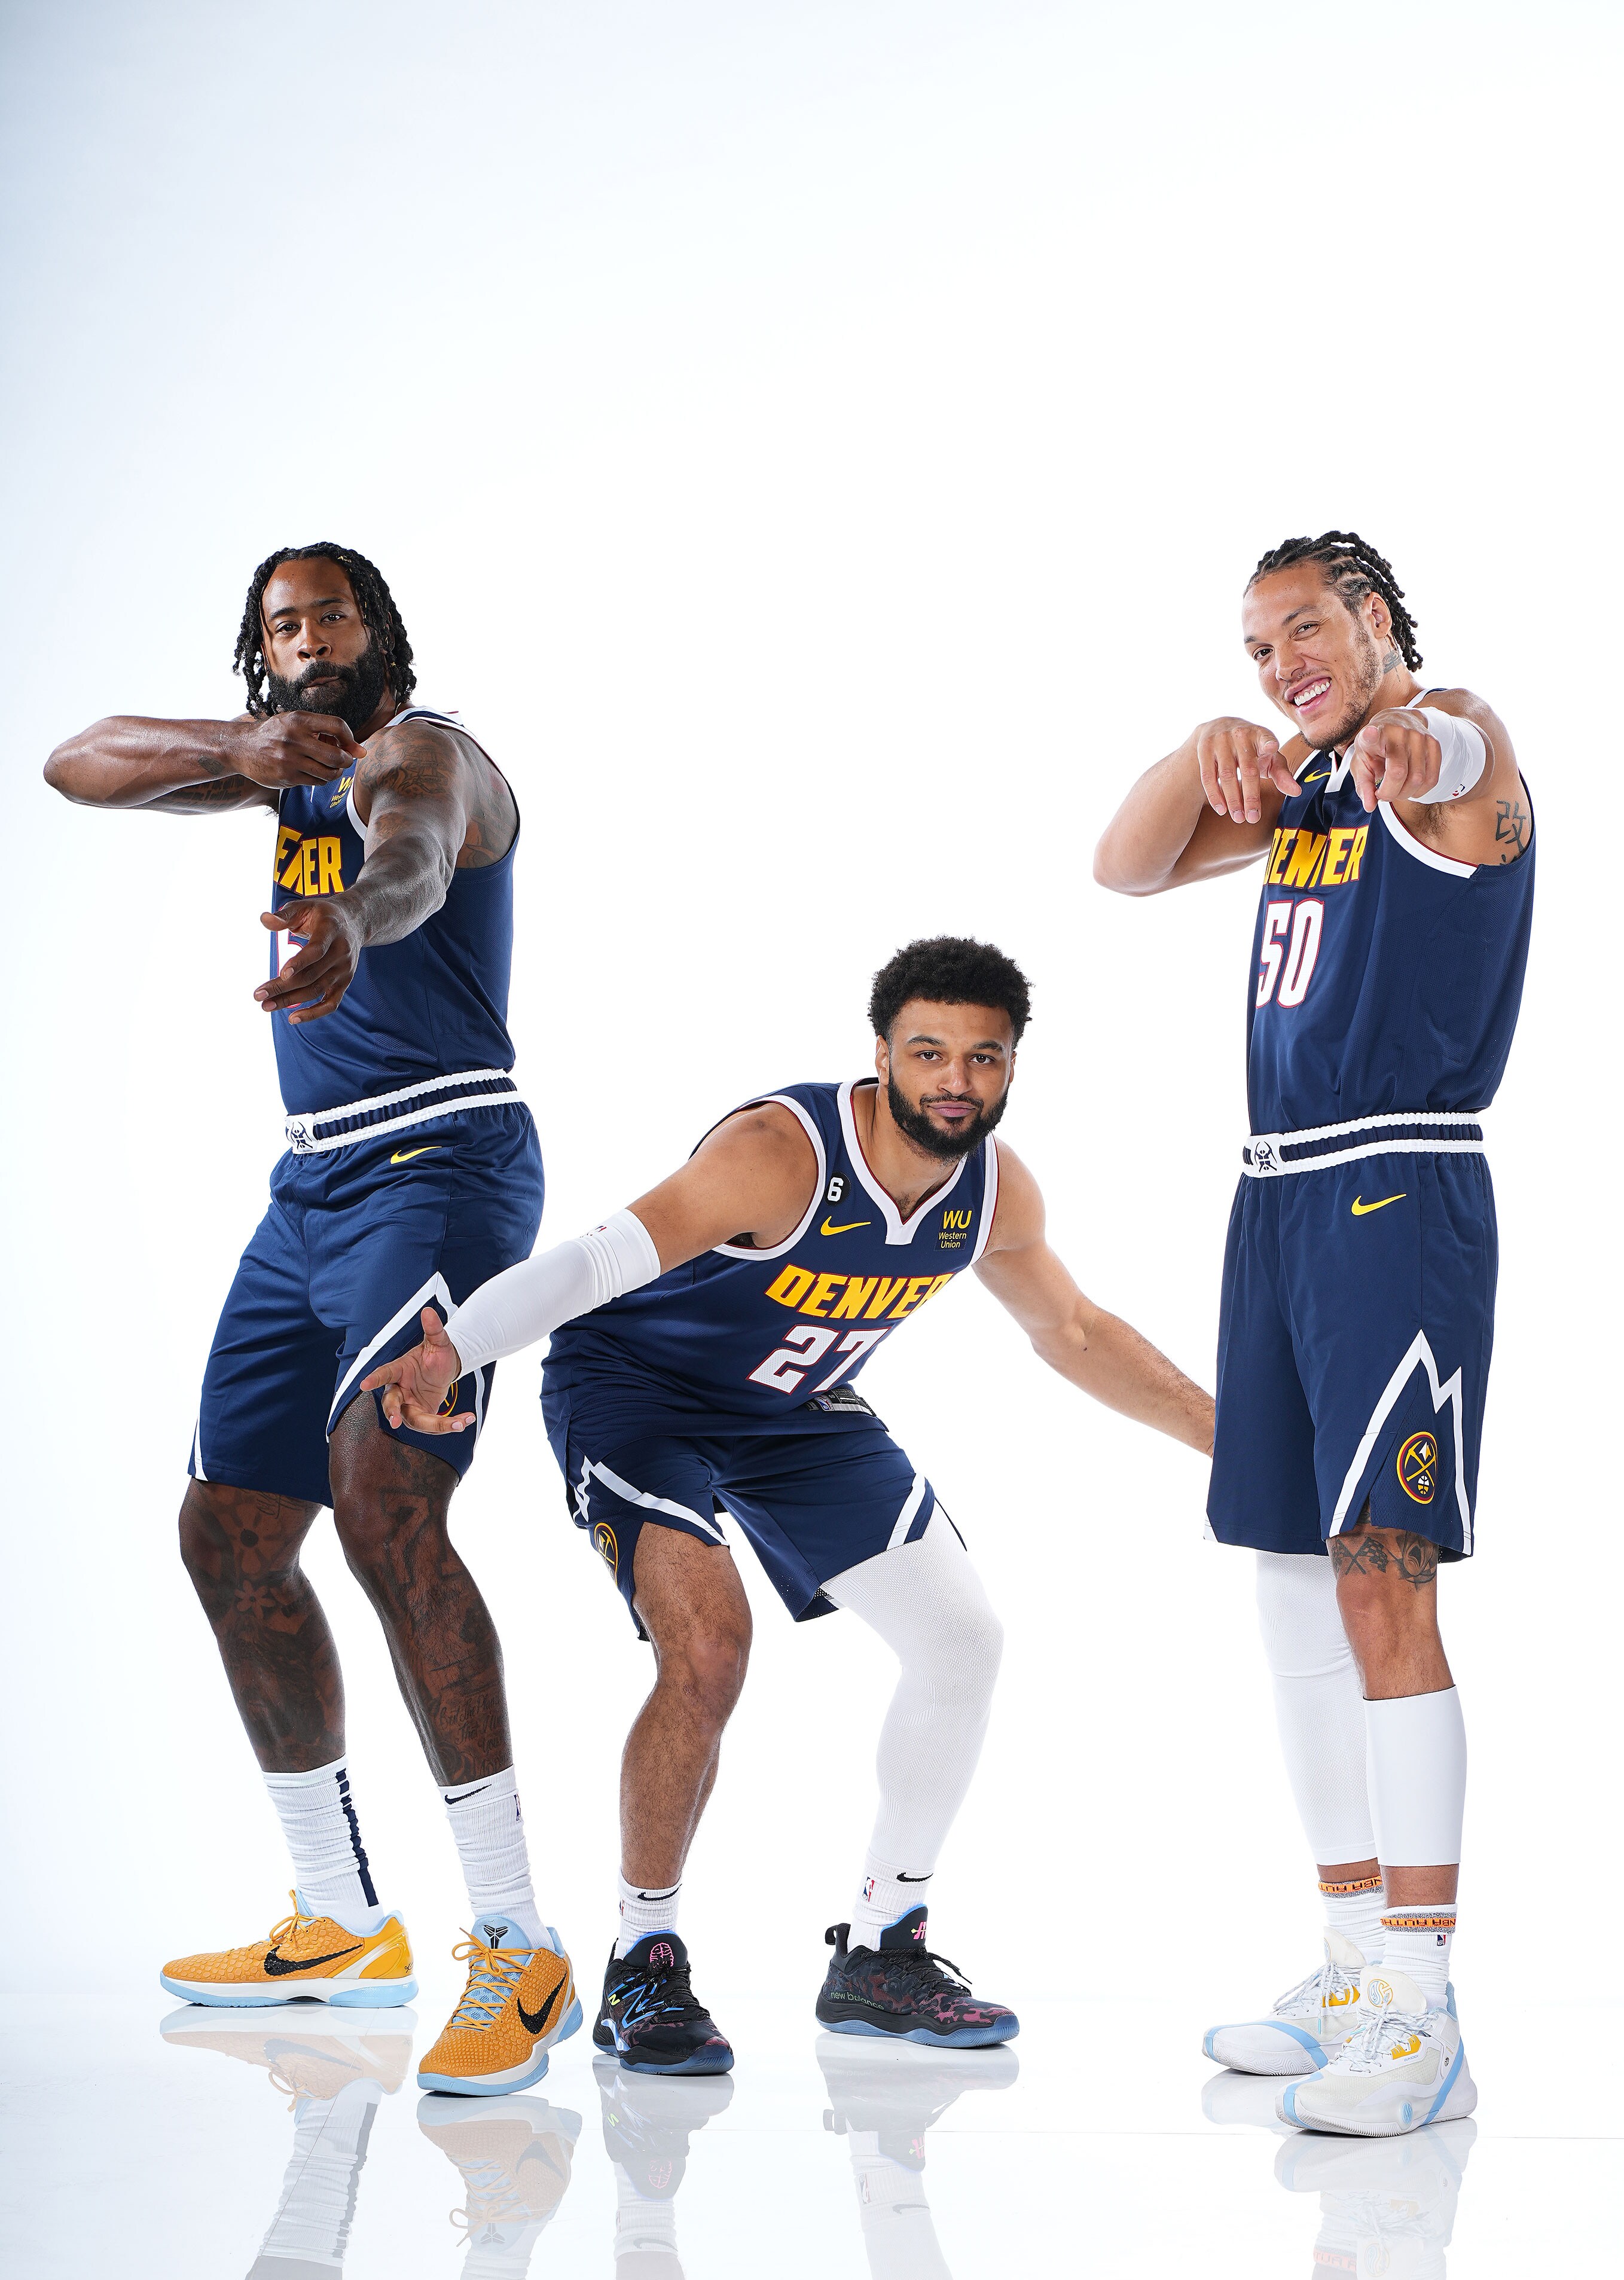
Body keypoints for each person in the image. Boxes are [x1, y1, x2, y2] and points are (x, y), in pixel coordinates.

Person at [364, 936, 1214, 2072]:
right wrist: (455, 1351)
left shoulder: (997, 1188)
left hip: (795, 1410)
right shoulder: (782, 1152)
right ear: (880, 1056)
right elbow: (591, 1262)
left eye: (982, 1057)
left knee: (962, 1639)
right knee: (710, 1650)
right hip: (638, 1395)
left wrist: (1234, 1441)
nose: (955, 1079)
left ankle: (881, 1948)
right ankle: (642, 1959)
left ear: (1012, 1068)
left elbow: (1072, 1330)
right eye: (928, 1052)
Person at [44, 543, 576, 2097]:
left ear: (380, 633)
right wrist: (232, 752)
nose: (309, 638)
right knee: (227, 1527)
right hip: (309, 1192)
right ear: (260, 660)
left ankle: (515, 1937)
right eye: (282, 626)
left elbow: (408, 848)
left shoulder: (429, 756)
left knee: (384, 1504)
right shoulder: (273, 766)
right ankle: (338, 1917)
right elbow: (71, 761)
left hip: (444, 1158)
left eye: (331, 612)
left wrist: (357, 915)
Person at [1094, 531, 1534, 2136]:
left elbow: (1465, 754)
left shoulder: (1441, 750)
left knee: (1380, 1575)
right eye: (1254, 644)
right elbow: (1123, 865)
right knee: (1287, 1569)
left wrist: (1415, 736)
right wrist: (1197, 755)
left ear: (1373, 615)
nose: (1282, 659)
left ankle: (1422, 2002)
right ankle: (1349, 1952)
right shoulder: (1307, 783)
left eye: (1306, 626)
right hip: (1272, 1196)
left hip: (1391, 1192)